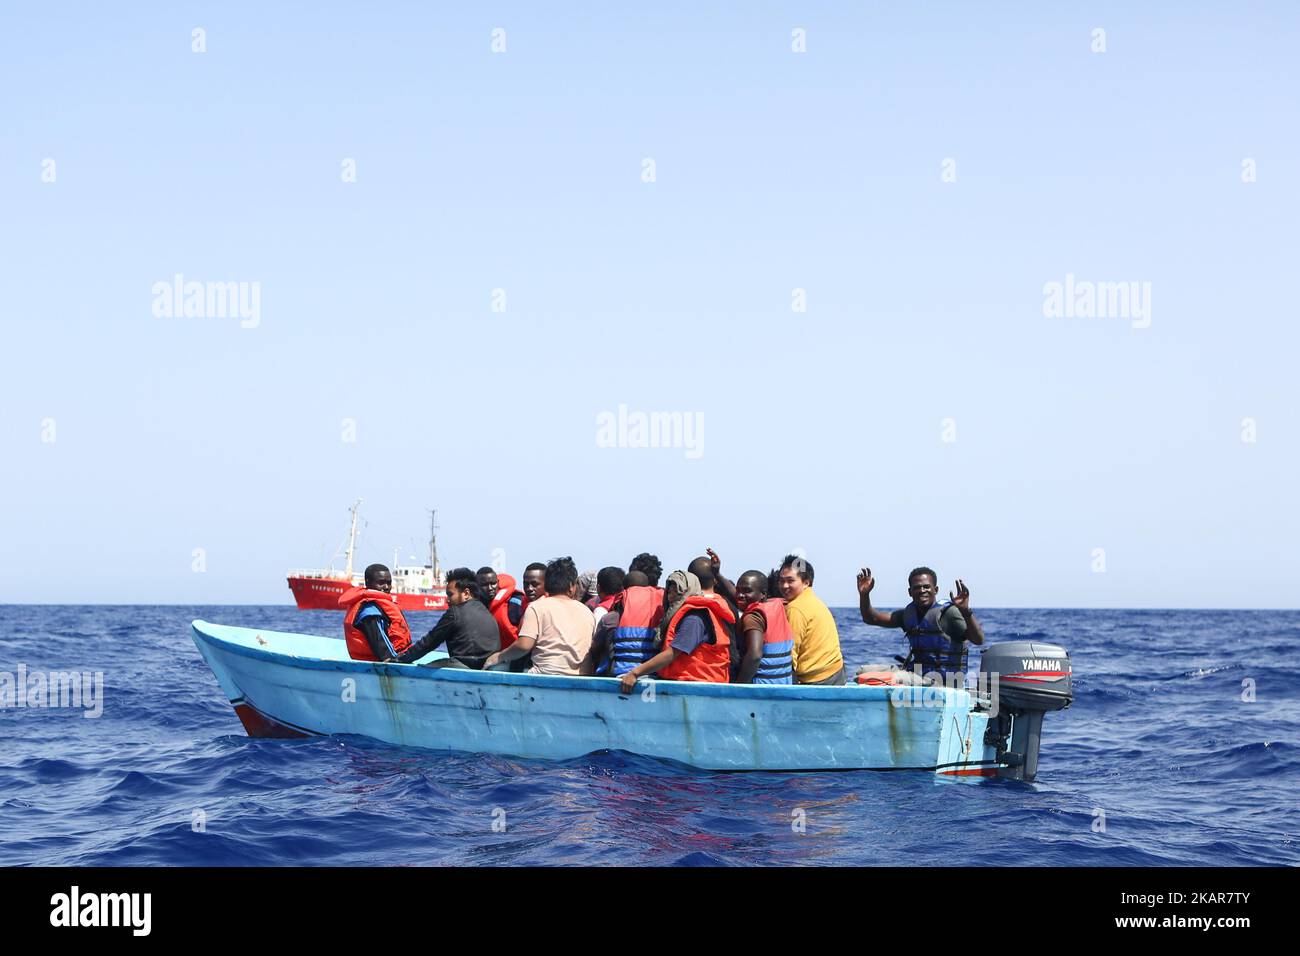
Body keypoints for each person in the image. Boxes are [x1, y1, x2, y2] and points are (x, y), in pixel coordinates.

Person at [857, 566, 985, 681]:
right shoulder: (907, 615)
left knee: (891, 679)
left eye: (926, 586)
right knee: (863, 673)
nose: (922, 590)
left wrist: (965, 612)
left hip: (945, 681)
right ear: (910, 592)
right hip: (917, 676)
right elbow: (871, 618)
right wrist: (864, 595)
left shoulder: (949, 613)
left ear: (936, 590)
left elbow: (978, 640)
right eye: (917, 587)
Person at [618, 569, 733, 692]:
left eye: (678, 591)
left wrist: (635, 673)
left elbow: (672, 653)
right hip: (684, 684)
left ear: (689, 590)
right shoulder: (684, 615)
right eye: (669, 592)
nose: (671, 596)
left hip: (698, 687)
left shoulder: (694, 618)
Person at [484, 556, 595, 675]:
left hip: (545, 675)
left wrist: (498, 657)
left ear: (546, 584)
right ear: (572, 586)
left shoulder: (537, 607)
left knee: (494, 669)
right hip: (581, 677)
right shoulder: (586, 611)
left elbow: (524, 646)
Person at [396, 568, 501, 669]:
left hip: (464, 666)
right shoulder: (486, 611)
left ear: (466, 594)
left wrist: (399, 660)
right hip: (487, 667)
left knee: (423, 669)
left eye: (450, 595)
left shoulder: (454, 613)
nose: (447, 600)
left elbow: (429, 642)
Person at [779, 554, 845, 685]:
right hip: (837, 671)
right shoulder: (814, 601)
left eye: (790, 581)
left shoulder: (795, 608)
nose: (784, 585)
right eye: (781, 581)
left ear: (806, 583)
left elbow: (790, 654)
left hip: (818, 680)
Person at [339, 564, 413, 661]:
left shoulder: (376, 605)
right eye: (381, 583)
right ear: (368, 583)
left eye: (389, 583)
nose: (386, 587)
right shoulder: (370, 612)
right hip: (374, 664)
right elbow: (384, 653)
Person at [733, 569, 794, 684]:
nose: (740, 595)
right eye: (738, 590)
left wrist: (738, 688)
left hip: (761, 686)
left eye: (747, 591)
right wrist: (717, 574)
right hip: (783, 684)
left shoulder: (753, 617)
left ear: (763, 594)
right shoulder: (779, 607)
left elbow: (754, 655)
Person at [477, 566, 526, 650]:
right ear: (477, 586)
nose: (490, 588)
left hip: (515, 654)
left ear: (498, 582)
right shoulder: (473, 606)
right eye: (484, 585)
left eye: (493, 583)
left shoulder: (515, 601)